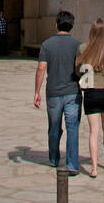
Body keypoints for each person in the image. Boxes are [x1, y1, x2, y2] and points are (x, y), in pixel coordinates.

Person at [34, 10, 82, 176]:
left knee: (54, 127)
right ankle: (72, 165)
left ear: (56, 25)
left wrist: (36, 92)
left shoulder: (47, 44)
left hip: (53, 92)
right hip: (72, 92)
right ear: (71, 26)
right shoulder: (78, 45)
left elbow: (41, 68)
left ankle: (54, 158)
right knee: (73, 128)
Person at [75, 18, 104, 178]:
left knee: (93, 131)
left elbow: (77, 71)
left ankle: (94, 167)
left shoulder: (83, 48)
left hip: (91, 92)